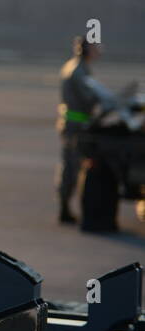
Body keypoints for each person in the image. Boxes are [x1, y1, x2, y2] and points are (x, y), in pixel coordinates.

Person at [56, 36, 102, 224]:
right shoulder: (78, 71)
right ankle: (64, 208)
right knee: (71, 166)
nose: (98, 51)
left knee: (71, 165)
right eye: (94, 48)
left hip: (73, 124)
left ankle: (65, 206)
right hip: (75, 126)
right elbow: (89, 97)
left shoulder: (76, 67)